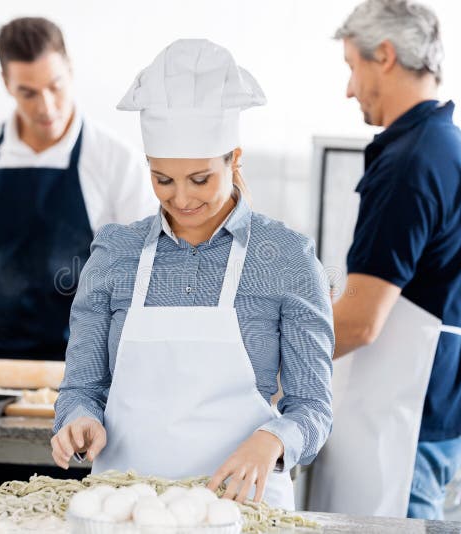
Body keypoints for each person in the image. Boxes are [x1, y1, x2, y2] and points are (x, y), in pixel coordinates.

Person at [50, 39, 334, 510]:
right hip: (122, 509)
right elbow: (82, 387)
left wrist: (273, 440)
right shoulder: (114, 252)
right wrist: (78, 418)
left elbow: (313, 408)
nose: (181, 198)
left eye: (200, 179)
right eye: (163, 179)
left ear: (234, 160)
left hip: (241, 509)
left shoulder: (287, 256)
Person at [0, 17, 157, 489]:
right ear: (6, 84)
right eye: (28, 93)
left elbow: (143, 277)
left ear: (71, 71)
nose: (47, 106)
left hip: (91, 392)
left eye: (55, 86)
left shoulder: (115, 162)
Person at [309, 0, 461, 520]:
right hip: (432, 409)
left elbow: (363, 322)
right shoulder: (451, 148)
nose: (349, 88)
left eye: (352, 66)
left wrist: (274, 379)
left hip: (403, 418)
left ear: (384, 55)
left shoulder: (410, 164)